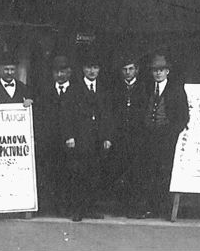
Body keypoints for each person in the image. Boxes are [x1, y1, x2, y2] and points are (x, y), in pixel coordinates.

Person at [135, 52, 189, 220]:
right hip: (148, 136)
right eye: (155, 70)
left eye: (161, 70)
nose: (158, 73)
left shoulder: (176, 90)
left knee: (164, 172)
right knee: (147, 172)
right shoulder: (146, 87)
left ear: (167, 72)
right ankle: (147, 208)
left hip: (166, 138)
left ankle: (161, 208)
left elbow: (183, 116)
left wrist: (172, 133)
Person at [61, 49, 114, 222]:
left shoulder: (104, 89)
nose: (92, 71)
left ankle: (91, 208)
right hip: (79, 138)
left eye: (95, 68)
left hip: (97, 139)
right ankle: (77, 209)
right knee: (78, 174)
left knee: (95, 174)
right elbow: (66, 114)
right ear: (83, 69)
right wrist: (69, 136)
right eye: (89, 68)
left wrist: (107, 137)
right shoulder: (74, 89)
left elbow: (108, 115)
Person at [109, 53, 150, 218]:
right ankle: (121, 206)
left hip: (137, 137)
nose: (127, 72)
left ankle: (135, 208)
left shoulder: (145, 87)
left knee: (136, 172)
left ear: (137, 70)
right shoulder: (116, 88)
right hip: (120, 137)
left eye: (131, 69)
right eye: (125, 69)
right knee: (119, 171)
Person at [34, 54, 73, 217]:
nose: (60, 75)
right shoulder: (45, 92)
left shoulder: (76, 91)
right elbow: (39, 116)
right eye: (56, 72)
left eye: (63, 71)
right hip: (49, 141)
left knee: (68, 174)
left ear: (69, 72)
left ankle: (66, 207)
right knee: (50, 173)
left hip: (70, 142)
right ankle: (50, 206)